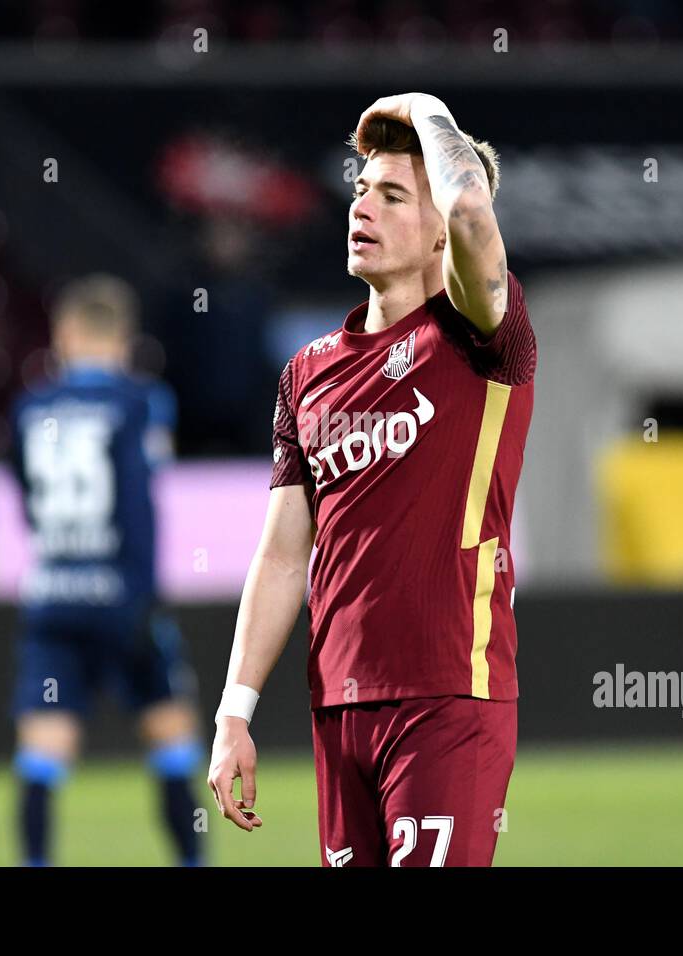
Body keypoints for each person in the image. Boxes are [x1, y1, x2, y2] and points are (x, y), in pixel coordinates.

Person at [207, 93, 537, 866]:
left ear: (438, 236)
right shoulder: (307, 374)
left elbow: (475, 221)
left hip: (448, 695)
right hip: (339, 706)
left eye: (394, 196)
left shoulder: (484, 340)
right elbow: (285, 554)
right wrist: (234, 712)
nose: (363, 206)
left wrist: (426, 110)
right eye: (361, 189)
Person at [8, 274, 203, 866]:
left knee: (44, 752)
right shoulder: (142, 400)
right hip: (123, 597)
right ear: (123, 340)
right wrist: (142, 595)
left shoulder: (29, 408)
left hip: (54, 596)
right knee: (172, 742)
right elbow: (140, 505)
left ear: (63, 335)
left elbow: (26, 497)